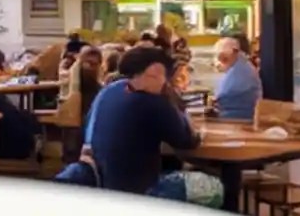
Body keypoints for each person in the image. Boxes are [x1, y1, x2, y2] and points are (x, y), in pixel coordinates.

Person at [83, 47, 210, 201]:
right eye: (165, 77)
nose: (165, 82)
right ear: (154, 72)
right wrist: (172, 99)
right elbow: (189, 141)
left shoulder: (109, 90)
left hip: (102, 185)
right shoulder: (154, 102)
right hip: (141, 193)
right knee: (213, 187)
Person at [213, 35, 262, 120]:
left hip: (238, 119)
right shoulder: (240, 66)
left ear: (235, 52)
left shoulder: (241, 70)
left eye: (223, 58)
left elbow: (224, 95)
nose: (219, 62)